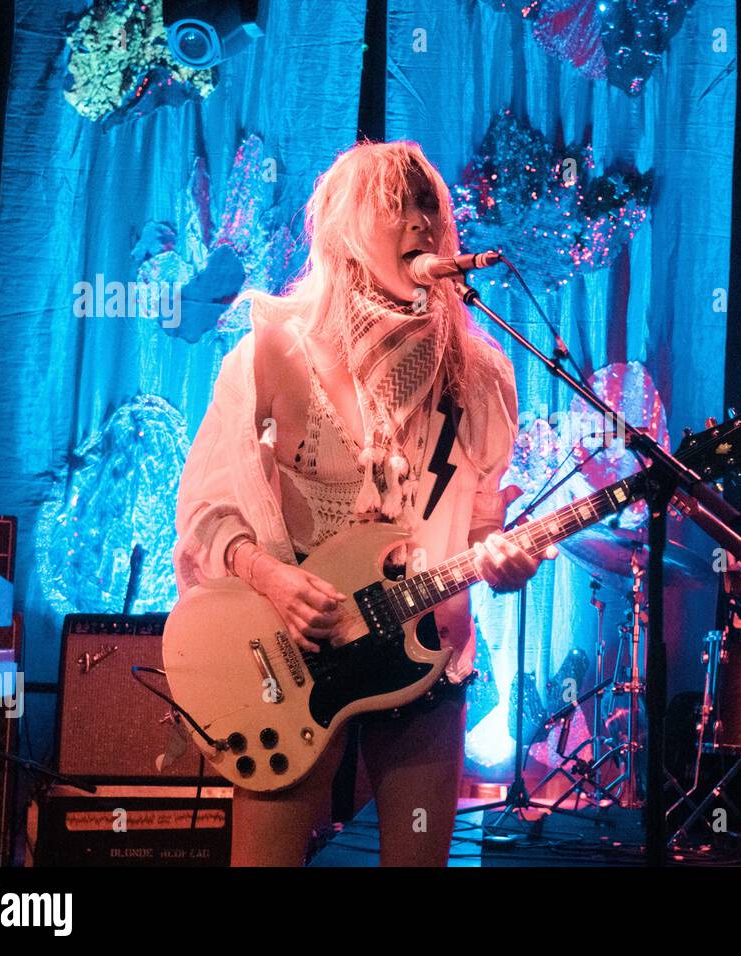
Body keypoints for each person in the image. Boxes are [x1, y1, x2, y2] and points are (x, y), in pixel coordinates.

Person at [172, 141, 554, 866]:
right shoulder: (272, 348)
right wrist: (276, 582)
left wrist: (502, 560)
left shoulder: (480, 374)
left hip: (422, 655)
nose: (418, 223)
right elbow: (208, 508)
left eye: (427, 207)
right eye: (395, 205)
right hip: (289, 659)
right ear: (345, 225)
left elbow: (481, 521)